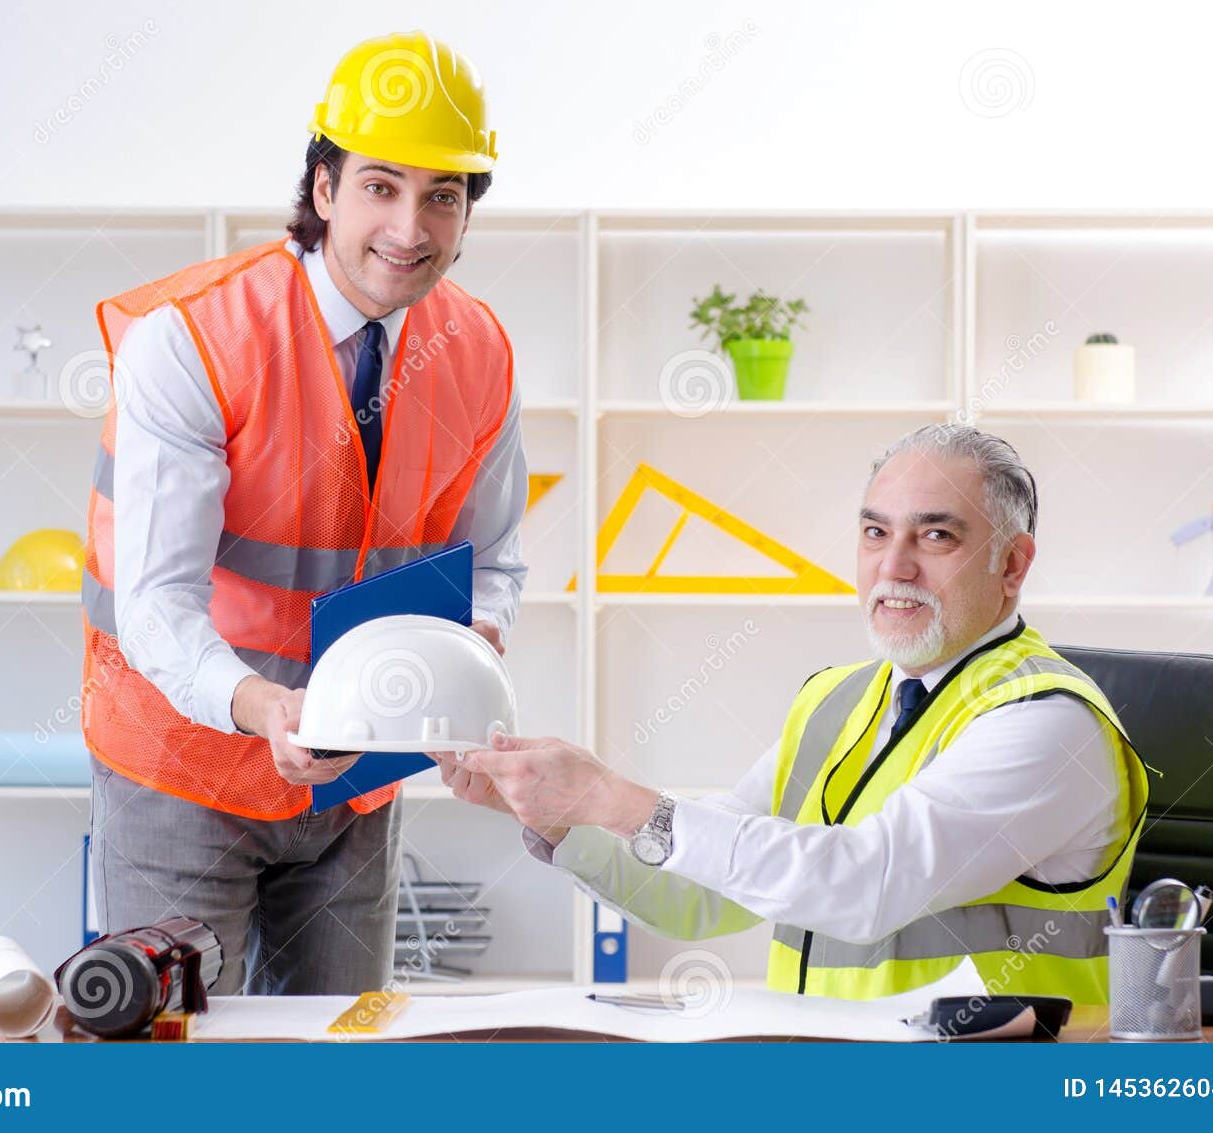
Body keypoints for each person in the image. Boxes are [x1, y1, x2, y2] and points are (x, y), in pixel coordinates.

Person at [81, 31, 526, 995]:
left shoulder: (479, 350)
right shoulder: (195, 340)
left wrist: (461, 668)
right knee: (174, 1062)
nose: (410, 227)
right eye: (381, 186)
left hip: (357, 780)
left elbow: (495, 563)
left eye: (442, 195)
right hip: (186, 764)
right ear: (323, 188)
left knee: (337, 1061)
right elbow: (154, 602)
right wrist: (264, 709)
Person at [438, 425, 1148, 1003]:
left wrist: (612, 797)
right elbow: (698, 898)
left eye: (936, 537)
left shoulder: (1048, 723)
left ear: (1012, 565)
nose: (893, 567)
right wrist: (561, 818)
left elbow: (865, 887)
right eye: (876, 533)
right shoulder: (838, 699)